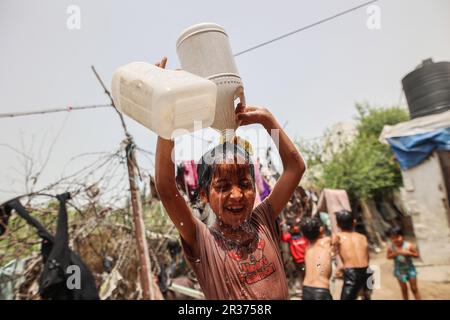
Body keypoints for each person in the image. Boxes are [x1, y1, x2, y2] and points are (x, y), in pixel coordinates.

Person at [154, 57, 306, 300]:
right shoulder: (203, 241)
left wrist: (268, 121)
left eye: (245, 184)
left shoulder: (262, 221)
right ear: (204, 194)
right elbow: (165, 186)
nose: (237, 195)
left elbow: (295, 168)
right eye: (223, 187)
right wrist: (167, 114)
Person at [334, 210, 372, 300]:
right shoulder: (362, 237)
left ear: (337, 225)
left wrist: (340, 267)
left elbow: (332, 252)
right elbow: (367, 257)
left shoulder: (337, 237)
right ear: (354, 222)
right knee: (366, 297)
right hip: (367, 271)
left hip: (352, 273)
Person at [300, 216, 333, 300]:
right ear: (321, 229)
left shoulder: (307, 248)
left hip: (306, 290)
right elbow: (337, 238)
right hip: (321, 291)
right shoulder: (326, 242)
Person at [387, 227, 421, 300]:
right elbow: (388, 256)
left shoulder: (408, 245)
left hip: (410, 270)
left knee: (414, 288)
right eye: (393, 238)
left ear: (403, 236)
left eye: (397, 237)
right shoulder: (391, 247)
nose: (395, 239)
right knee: (404, 289)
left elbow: (417, 255)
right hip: (401, 272)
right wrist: (395, 254)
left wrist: (409, 253)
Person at [280, 223, 309, 296]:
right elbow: (283, 237)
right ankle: (304, 291)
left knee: (306, 275)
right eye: (294, 226)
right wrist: (280, 227)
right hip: (297, 262)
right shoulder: (290, 237)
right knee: (301, 275)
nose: (296, 228)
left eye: (297, 226)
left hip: (306, 261)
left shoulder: (303, 235)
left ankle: (307, 290)